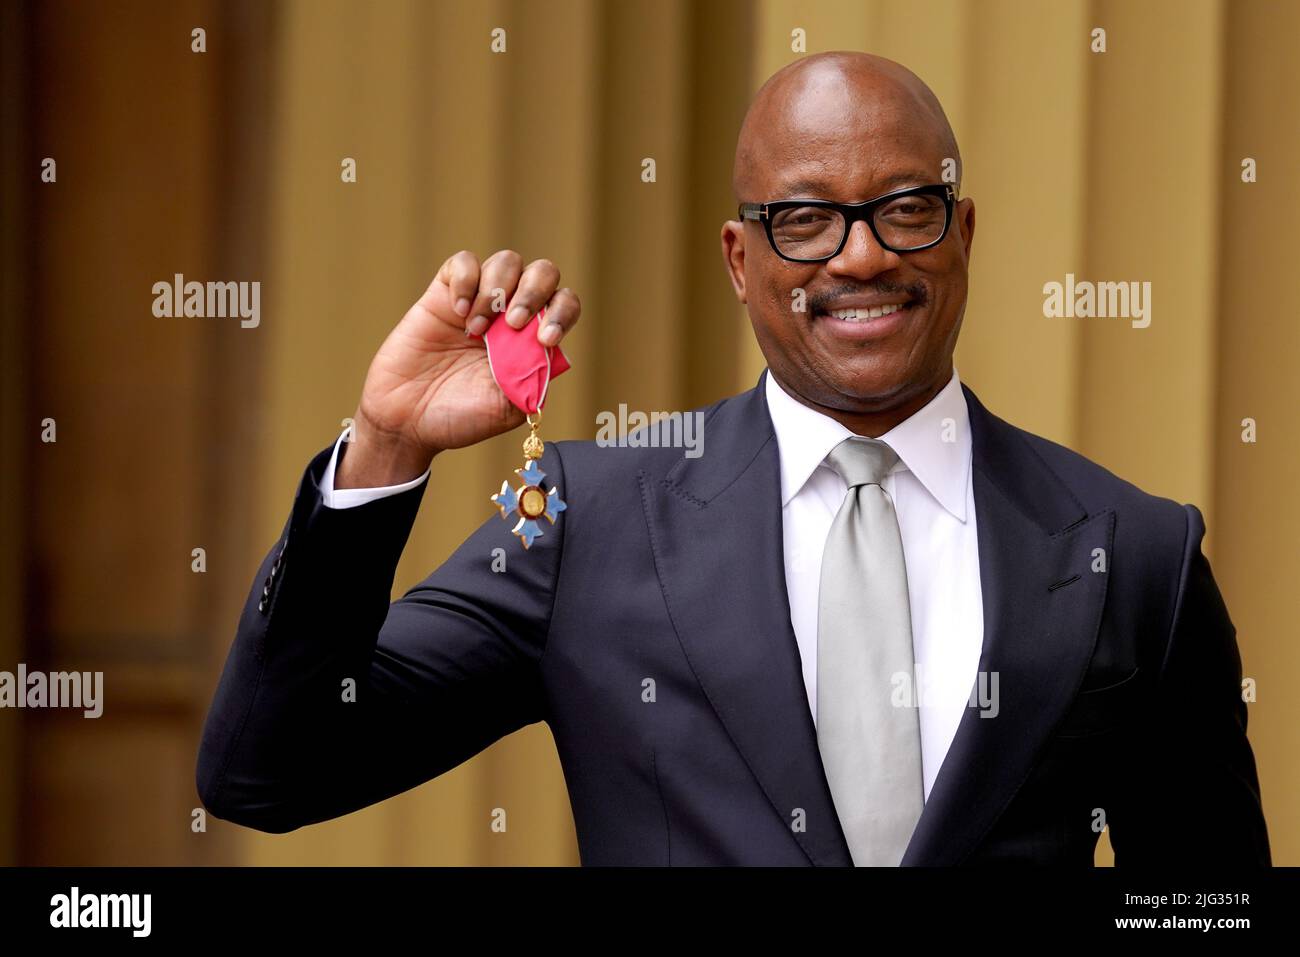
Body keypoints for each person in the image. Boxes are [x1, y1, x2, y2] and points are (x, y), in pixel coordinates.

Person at [196, 51, 1270, 866]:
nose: (859, 254)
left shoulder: (1134, 553)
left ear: (962, 232)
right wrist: (385, 445)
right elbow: (273, 771)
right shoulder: (590, 523)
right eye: (804, 218)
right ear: (739, 257)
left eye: (905, 209)